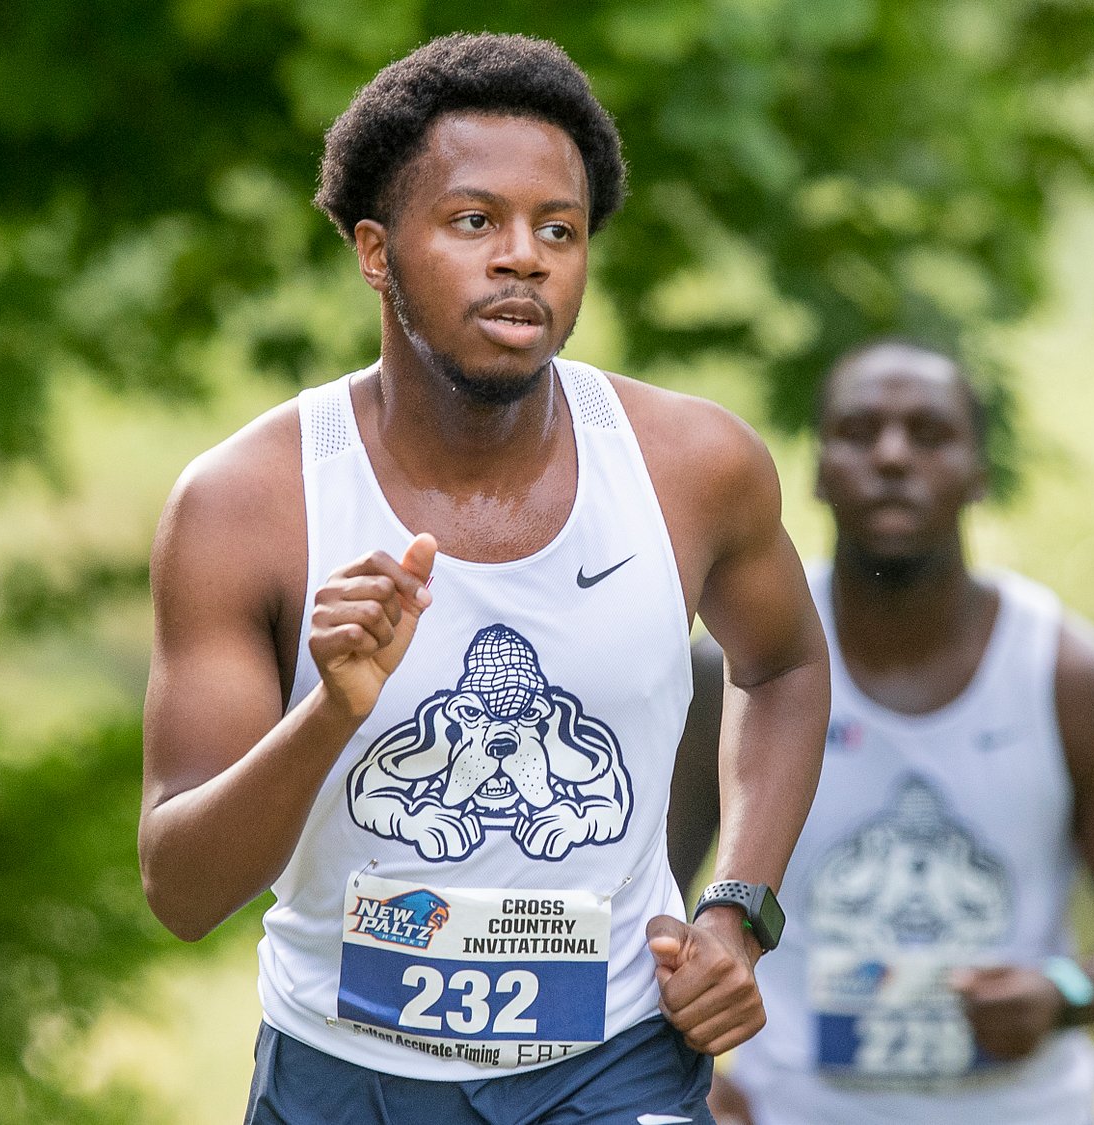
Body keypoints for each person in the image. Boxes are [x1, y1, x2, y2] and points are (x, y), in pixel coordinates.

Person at [137, 33, 831, 1124]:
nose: (524, 258)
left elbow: (783, 666)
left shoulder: (693, 468)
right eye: (474, 222)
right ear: (376, 253)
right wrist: (332, 710)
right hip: (344, 1072)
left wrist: (736, 909)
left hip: (615, 1061)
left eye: (559, 229)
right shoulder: (248, 505)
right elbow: (181, 891)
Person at [668, 341, 1094, 1123]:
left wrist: (1063, 991)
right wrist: (694, 1077)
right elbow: (641, 898)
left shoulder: (1069, 677)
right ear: (817, 468)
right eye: (859, 432)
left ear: (978, 470)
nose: (892, 456)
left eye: (930, 434)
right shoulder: (735, 669)